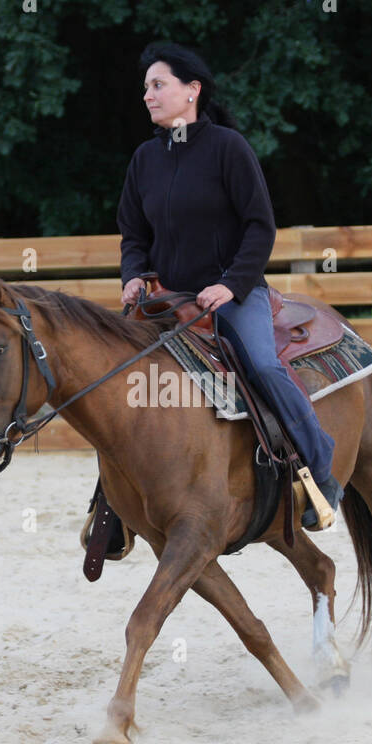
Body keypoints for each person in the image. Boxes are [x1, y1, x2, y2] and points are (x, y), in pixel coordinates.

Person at [116, 41, 343, 527]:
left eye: (158, 86)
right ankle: (113, 507)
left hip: (232, 295)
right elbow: (134, 234)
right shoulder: (143, 160)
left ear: (191, 91)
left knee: (262, 363)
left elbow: (260, 226)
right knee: (119, 376)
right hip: (165, 300)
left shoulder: (228, 149)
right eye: (146, 88)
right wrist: (133, 275)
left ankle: (320, 469)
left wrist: (231, 286)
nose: (148, 96)